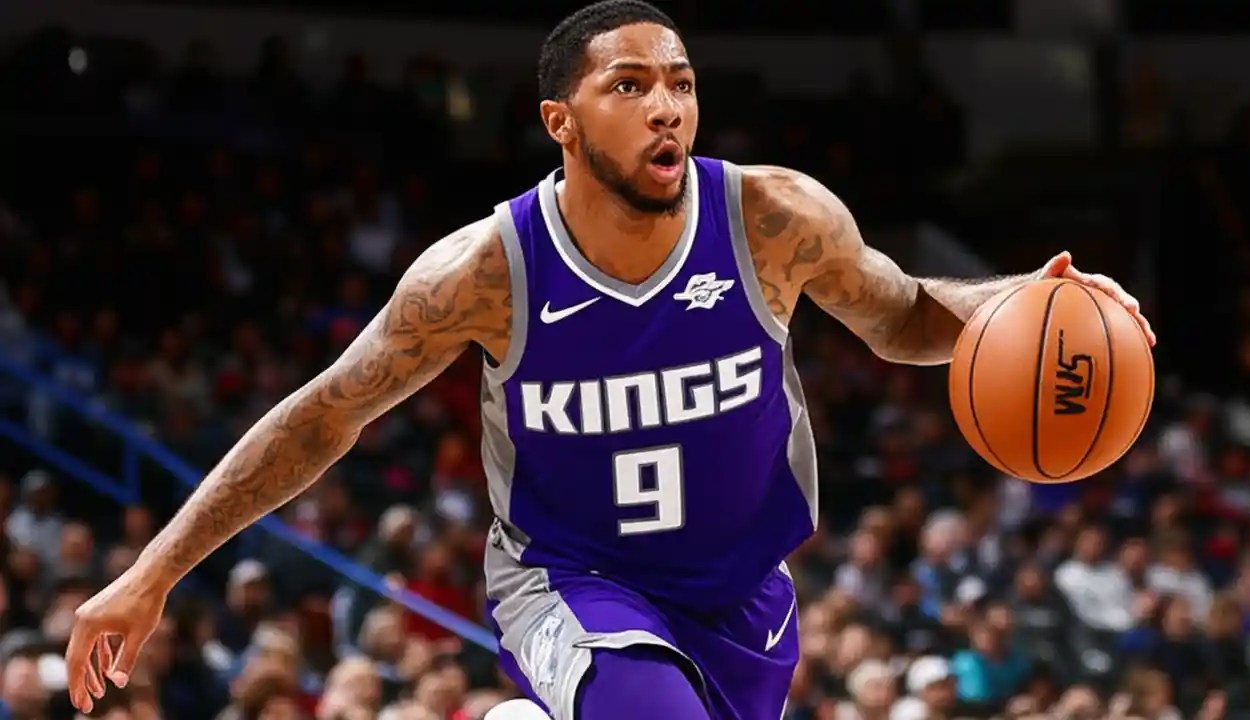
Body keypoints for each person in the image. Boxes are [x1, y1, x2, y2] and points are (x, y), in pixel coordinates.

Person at [63, 2, 1155, 718]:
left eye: (679, 82)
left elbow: (902, 315)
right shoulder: (481, 273)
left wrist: (1026, 300)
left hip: (740, 595)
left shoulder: (773, 218)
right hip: (573, 582)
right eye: (629, 86)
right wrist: (151, 574)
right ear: (561, 119)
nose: (665, 107)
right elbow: (325, 414)